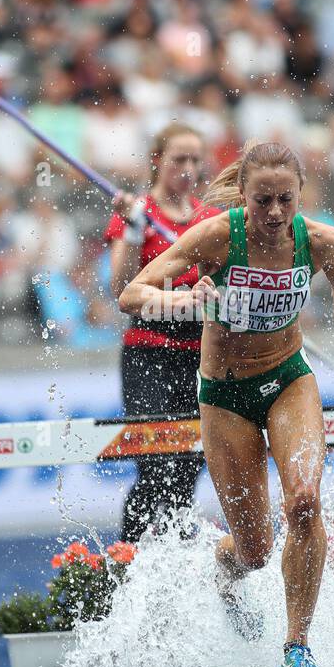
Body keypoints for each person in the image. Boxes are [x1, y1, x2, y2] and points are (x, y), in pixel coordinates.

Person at [118, 139, 334, 667]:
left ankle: (297, 646)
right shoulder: (218, 236)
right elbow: (131, 294)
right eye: (262, 200)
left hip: (289, 382)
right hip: (225, 397)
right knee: (255, 551)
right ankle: (227, 570)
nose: (273, 214)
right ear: (242, 197)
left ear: (299, 196)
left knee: (305, 502)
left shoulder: (320, 242)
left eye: (285, 201)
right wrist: (184, 304)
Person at [106, 123, 217, 542]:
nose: (188, 169)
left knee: (189, 468)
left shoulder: (209, 219)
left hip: (201, 355)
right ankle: (126, 561)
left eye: (194, 160)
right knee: (154, 462)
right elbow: (120, 290)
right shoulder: (137, 214)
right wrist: (135, 231)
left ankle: (177, 571)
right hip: (149, 352)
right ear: (158, 161)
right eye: (178, 160)